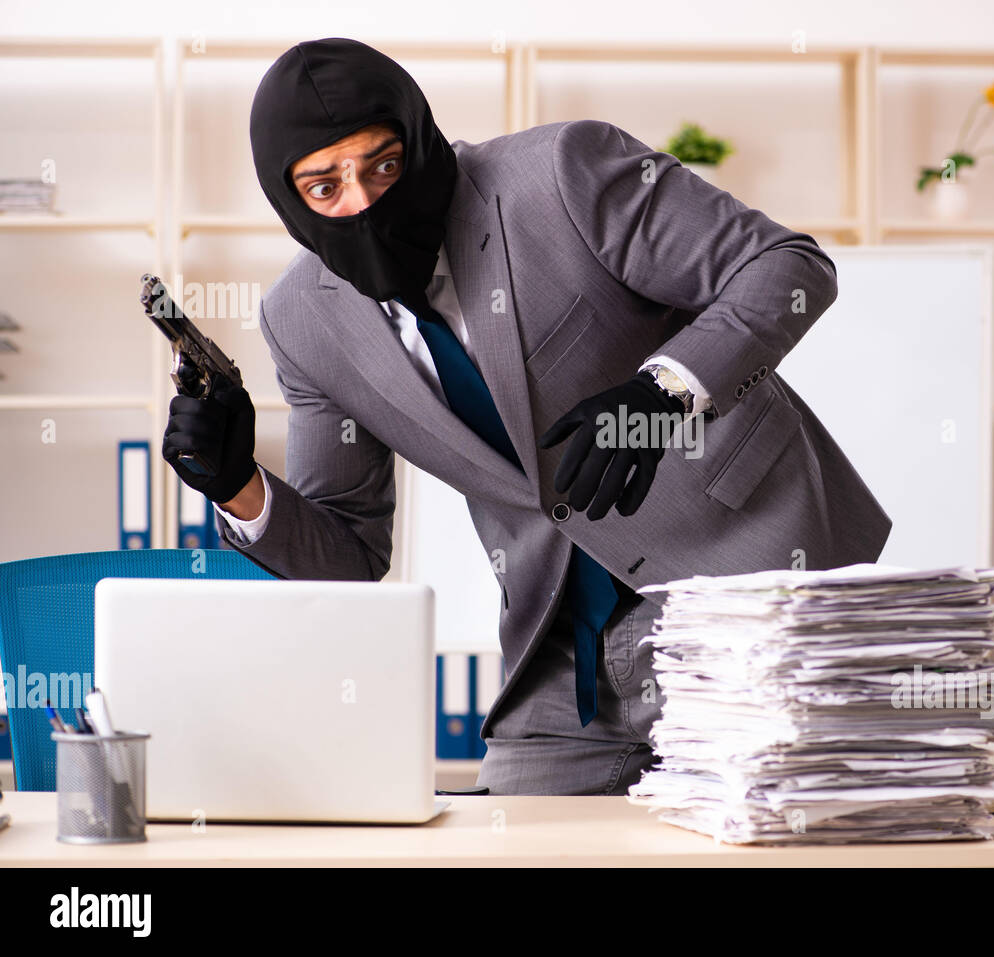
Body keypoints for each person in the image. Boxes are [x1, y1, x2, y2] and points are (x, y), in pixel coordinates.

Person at [162, 37, 892, 795]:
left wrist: (663, 391)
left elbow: (787, 267)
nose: (364, 202)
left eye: (383, 165)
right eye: (324, 187)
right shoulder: (302, 324)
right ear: (290, 202)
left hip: (741, 586)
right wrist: (239, 485)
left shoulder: (563, 173)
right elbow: (350, 557)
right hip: (559, 659)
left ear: (419, 139)